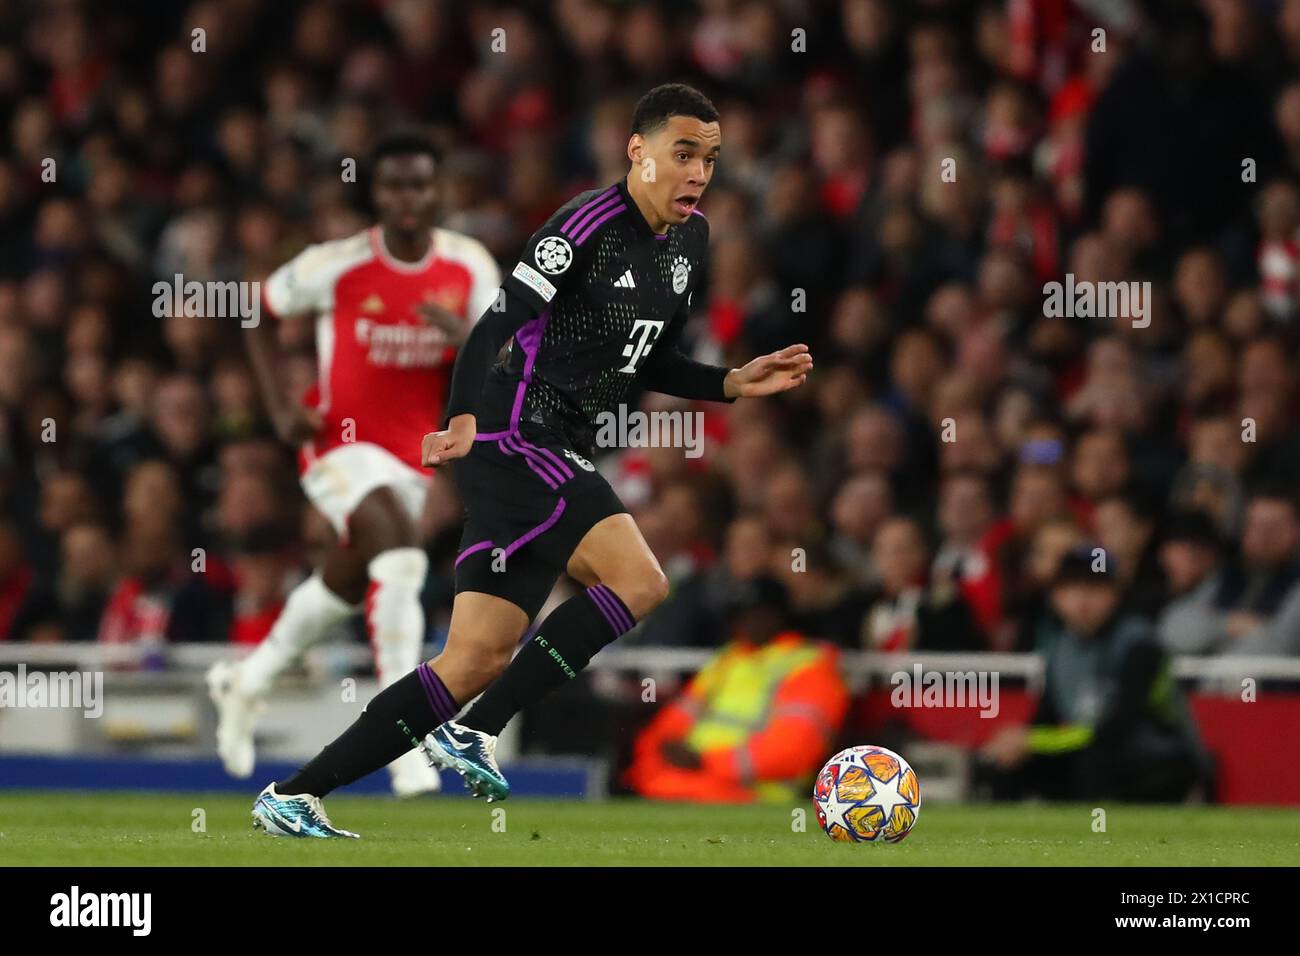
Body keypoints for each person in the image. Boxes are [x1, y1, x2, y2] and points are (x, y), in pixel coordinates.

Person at [251, 83, 813, 837]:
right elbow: (495, 323)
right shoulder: (583, 226)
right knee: (641, 581)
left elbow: (648, 357)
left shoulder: (690, 241)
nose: (698, 173)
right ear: (637, 151)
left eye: (709, 159)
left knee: (473, 659)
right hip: (517, 433)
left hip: (557, 448)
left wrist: (730, 383)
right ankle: (479, 730)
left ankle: (295, 794)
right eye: (683, 154)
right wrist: (460, 416)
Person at [205, 131, 501, 797]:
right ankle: (404, 743)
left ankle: (246, 681)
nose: (408, 198)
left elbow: (506, 357)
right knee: (400, 551)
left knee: (348, 576)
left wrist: (468, 340)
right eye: (395, 185)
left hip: (410, 452)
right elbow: (254, 309)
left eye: (421, 184)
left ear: (438, 191)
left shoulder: (468, 265)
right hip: (335, 439)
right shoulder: (334, 264)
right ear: (376, 192)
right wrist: (279, 404)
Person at [976, 546, 1205, 803]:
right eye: (1072, 589)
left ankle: (1099, 839)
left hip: (1158, 762)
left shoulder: (1139, 644)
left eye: (1094, 589)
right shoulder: (1059, 648)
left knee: (1095, 760)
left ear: (1115, 595)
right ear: (1056, 597)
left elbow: (1118, 726)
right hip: (1089, 754)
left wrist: (1034, 741)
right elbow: (1047, 718)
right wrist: (1019, 742)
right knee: (1004, 763)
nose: (1082, 601)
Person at [623, 578, 849, 804]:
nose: (745, 623)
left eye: (756, 614)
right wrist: (658, 752)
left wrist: (705, 761)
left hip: (755, 796)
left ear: (779, 616)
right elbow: (670, 726)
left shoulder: (809, 666)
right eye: (740, 614)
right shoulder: (729, 658)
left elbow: (793, 750)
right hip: (688, 782)